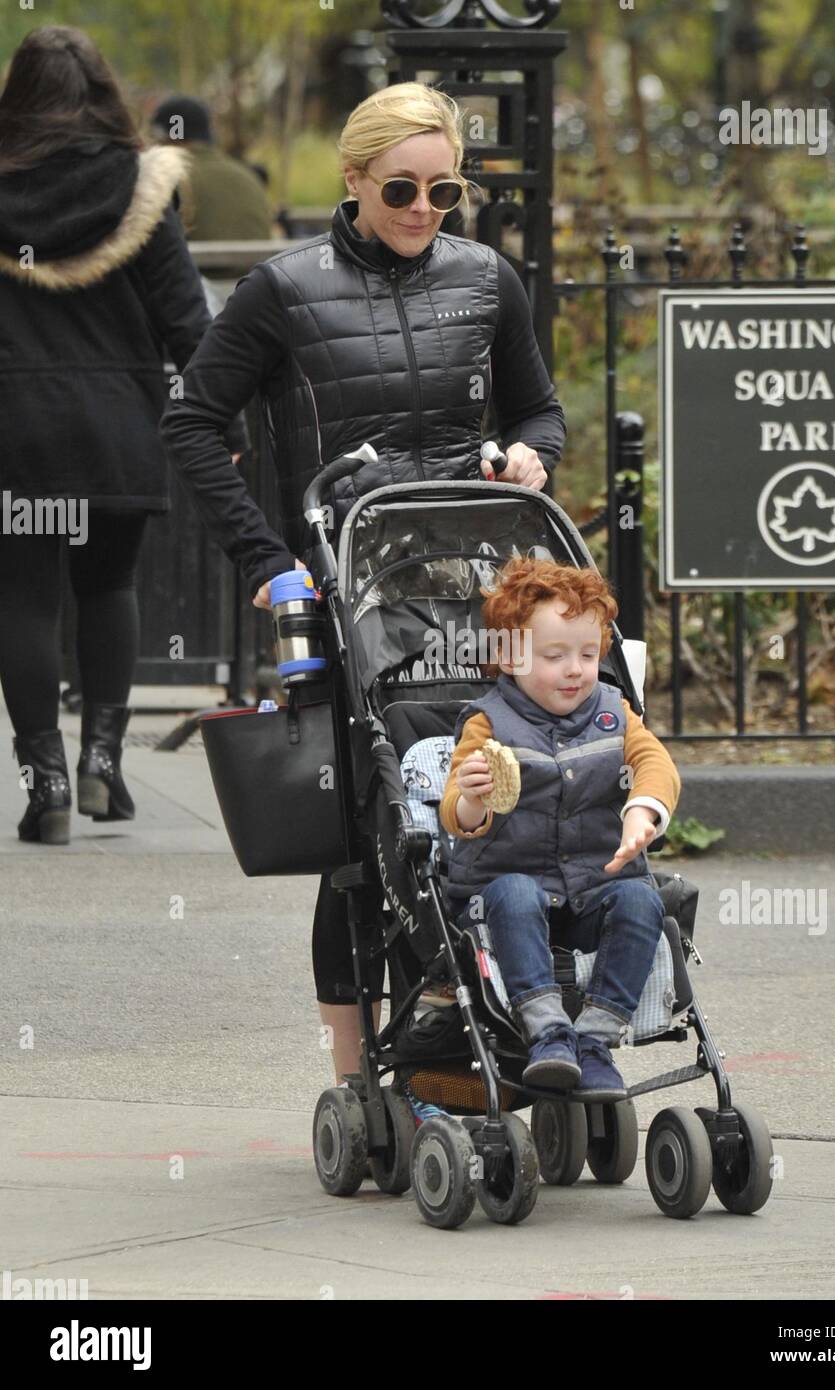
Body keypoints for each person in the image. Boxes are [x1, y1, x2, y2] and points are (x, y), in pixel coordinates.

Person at [160, 82, 566, 1082]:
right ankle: (358, 1075)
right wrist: (267, 560)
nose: (424, 210)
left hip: (479, 592)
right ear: (352, 179)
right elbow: (191, 424)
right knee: (366, 826)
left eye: (445, 190)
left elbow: (541, 412)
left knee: (489, 793)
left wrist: (528, 457)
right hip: (346, 596)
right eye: (401, 188)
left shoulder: (486, 281)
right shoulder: (283, 290)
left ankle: (495, 1012)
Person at [0, 25, 235, 844]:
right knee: (109, 589)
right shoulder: (141, 188)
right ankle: (103, 763)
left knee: (23, 601)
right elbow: (185, 319)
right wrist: (220, 419)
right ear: (102, 94)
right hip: (114, 427)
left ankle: (46, 786)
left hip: (15, 433)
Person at [439, 557, 681, 1098]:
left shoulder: (613, 711)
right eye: (555, 656)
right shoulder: (487, 723)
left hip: (593, 888)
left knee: (642, 900)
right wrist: (476, 798)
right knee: (515, 893)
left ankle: (595, 1038)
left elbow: (655, 764)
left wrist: (642, 810)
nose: (575, 669)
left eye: (589, 654)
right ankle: (548, 1032)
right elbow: (455, 810)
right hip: (508, 896)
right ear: (509, 657)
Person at [149, 95, 275, 241]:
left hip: (203, 263)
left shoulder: (171, 179)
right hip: (258, 262)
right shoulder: (248, 175)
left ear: (169, 137)